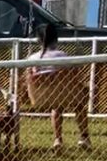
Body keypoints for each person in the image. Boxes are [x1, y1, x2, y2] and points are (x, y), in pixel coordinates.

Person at [26, 22, 90, 150]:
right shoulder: (61, 56)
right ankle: (84, 136)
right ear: (55, 39)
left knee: (57, 106)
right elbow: (72, 76)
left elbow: (28, 77)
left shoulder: (32, 58)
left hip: (41, 97)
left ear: (39, 40)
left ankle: (58, 139)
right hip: (64, 94)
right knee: (80, 103)